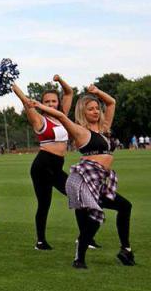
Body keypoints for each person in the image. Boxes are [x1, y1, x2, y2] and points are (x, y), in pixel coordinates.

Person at [32, 85, 134, 268]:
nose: (95, 111)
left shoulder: (104, 128)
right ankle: (79, 257)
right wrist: (40, 105)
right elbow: (61, 117)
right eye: (90, 108)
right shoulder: (80, 131)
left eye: (97, 108)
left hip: (100, 181)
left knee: (124, 206)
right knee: (96, 217)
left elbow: (111, 103)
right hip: (85, 180)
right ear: (83, 112)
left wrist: (96, 92)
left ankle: (125, 250)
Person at [12, 76, 74, 250]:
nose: (51, 104)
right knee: (44, 203)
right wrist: (13, 85)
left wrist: (59, 80)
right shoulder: (39, 119)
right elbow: (25, 102)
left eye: (54, 101)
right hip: (42, 167)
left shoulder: (62, 117)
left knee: (77, 196)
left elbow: (69, 92)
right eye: (47, 101)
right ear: (41, 103)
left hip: (57, 166)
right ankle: (40, 241)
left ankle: (86, 238)